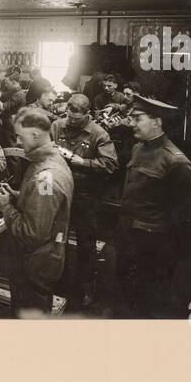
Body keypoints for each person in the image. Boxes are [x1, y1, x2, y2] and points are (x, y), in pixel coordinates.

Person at [116, 94, 191, 318]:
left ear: (157, 122)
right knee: (128, 297)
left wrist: (171, 253)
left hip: (153, 249)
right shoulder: (139, 148)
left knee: (152, 304)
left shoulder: (176, 162)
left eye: (137, 118)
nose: (131, 123)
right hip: (128, 240)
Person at [0, 107, 74, 316]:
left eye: (20, 137)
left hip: (35, 264)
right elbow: (45, 206)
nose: (17, 142)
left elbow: (32, 233)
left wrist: (5, 206)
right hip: (46, 256)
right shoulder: (52, 159)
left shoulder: (46, 176)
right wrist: (17, 195)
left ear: (35, 135)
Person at [50, 94, 118, 305]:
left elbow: (110, 164)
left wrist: (82, 162)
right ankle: (57, 283)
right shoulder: (57, 126)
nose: (71, 122)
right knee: (56, 239)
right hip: (59, 192)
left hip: (85, 196)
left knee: (85, 243)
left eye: (76, 119)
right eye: (69, 117)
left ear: (87, 115)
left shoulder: (99, 134)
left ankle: (86, 286)